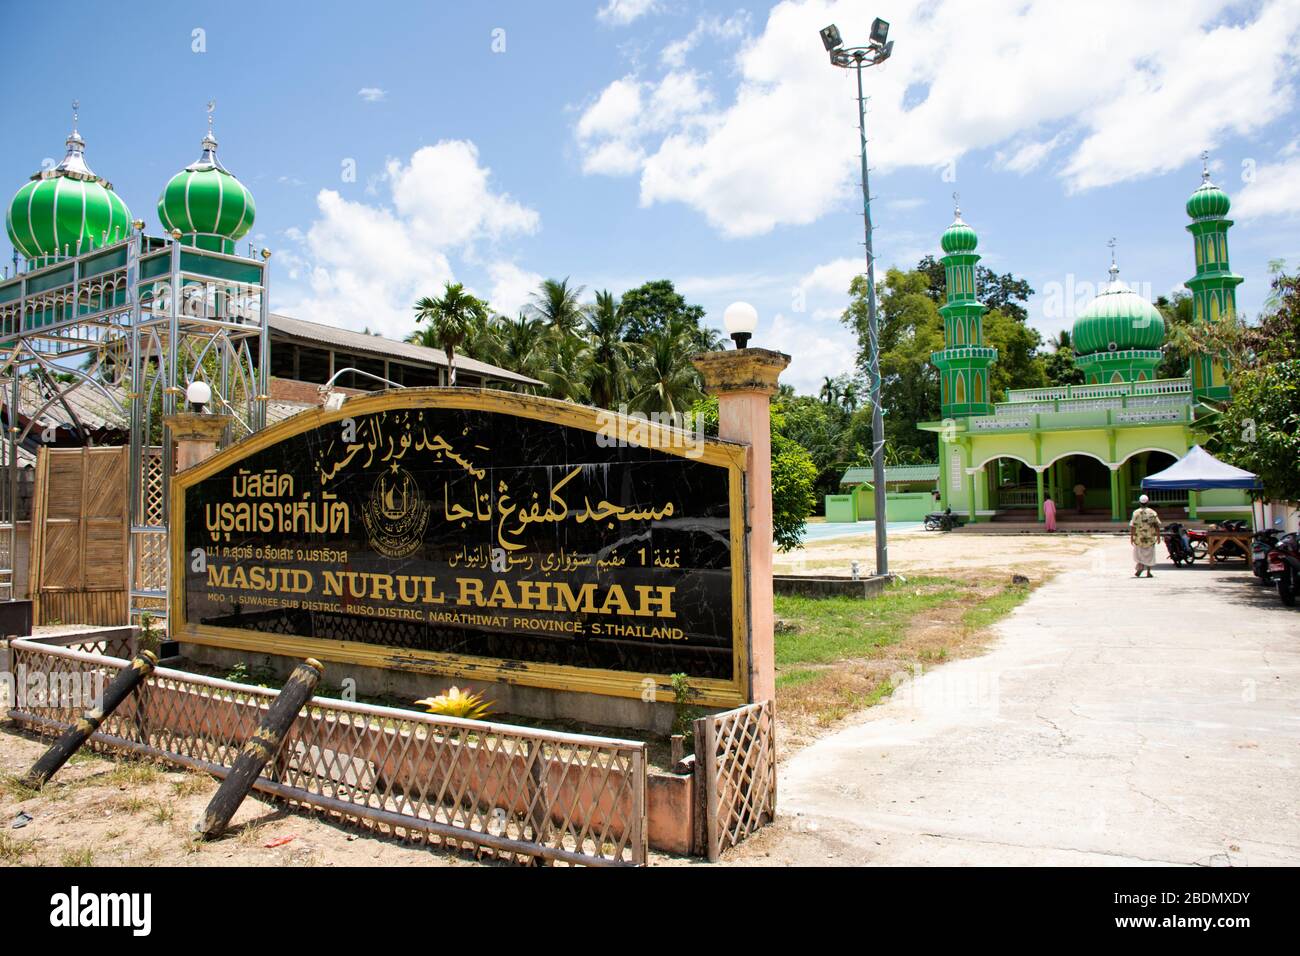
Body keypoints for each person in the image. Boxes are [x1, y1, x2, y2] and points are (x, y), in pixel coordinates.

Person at [1129, 493, 1162, 578]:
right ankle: (1148, 572)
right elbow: (1157, 526)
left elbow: (1133, 526)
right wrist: (1158, 537)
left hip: (1139, 538)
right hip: (1150, 538)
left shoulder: (1135, 513)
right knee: (1150, 555)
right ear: (1148, 502)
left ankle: (1140, 568)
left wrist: (1131, 538)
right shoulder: (1152, 512)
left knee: (1139, 554)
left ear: (1139, 502)